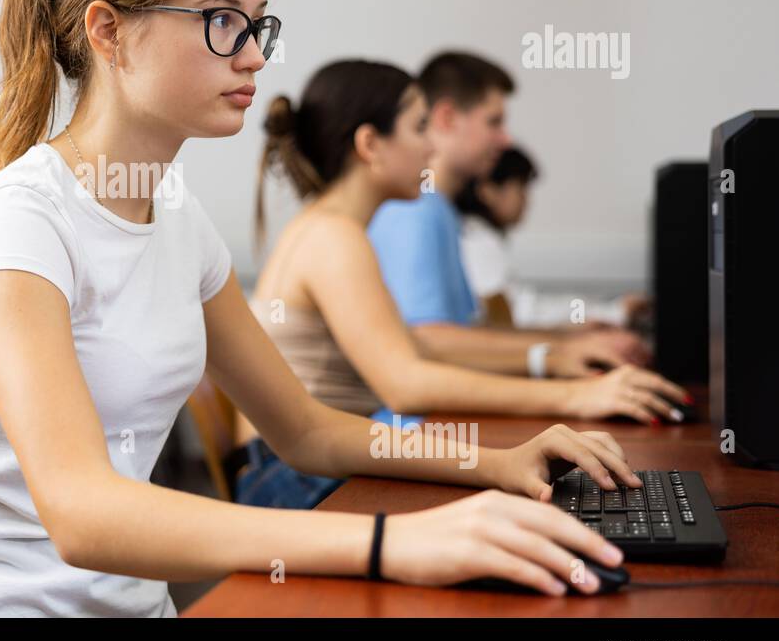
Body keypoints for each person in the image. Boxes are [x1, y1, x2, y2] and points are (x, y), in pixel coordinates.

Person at [0, 0, 642, 618]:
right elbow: (81, 514)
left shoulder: (176, 218)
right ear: (108, 30)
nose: (253, 57)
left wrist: (497, 464)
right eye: (223, 21)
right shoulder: (16, 221)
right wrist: (392, 543)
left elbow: (304, 429)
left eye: (259, 26)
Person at [234, 61, 687, 510]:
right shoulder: (335, 237)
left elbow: (418, 347)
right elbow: (405, 385)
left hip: (290, 469)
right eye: (419, 128)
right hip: (292, 480)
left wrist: (552, 357)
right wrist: (576, 395)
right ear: (370, 144)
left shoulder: (330, 227)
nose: (432, 147)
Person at [368, 51, 648, 378]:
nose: (506, 138)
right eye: (494, 121)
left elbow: (470, 332)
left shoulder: (441, 210)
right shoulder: (416, 210)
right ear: (446, 118)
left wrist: (568, 338)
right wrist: (558, 359)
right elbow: (428, 340)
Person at [456, 146, 648, 329]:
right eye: (521, 188)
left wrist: (606, 309)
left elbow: (527, 307)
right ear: (488, 191)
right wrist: (610, 312)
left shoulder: (478, 237)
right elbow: (525, 316)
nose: (526, 200)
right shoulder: (477, 242)